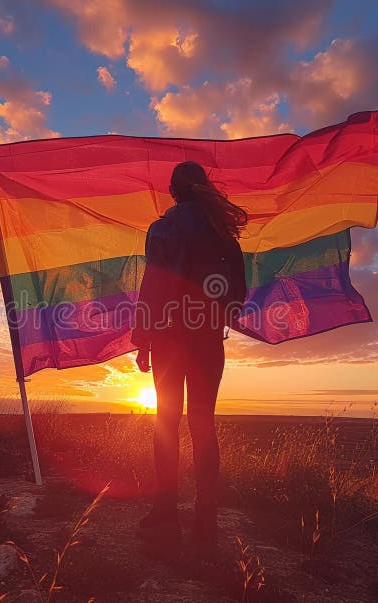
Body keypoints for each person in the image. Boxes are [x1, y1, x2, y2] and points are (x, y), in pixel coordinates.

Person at [131, 161, 248, 550]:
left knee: (166, 422)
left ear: (173, 191)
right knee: (203, 424)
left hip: (166, 338)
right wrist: (215, 315)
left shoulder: (163, 229)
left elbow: (154, 284)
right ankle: (206, 523)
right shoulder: (223, 233)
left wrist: (142, 337)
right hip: (207, 342)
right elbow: (237, 295)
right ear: (203, 187)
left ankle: (165, 512)